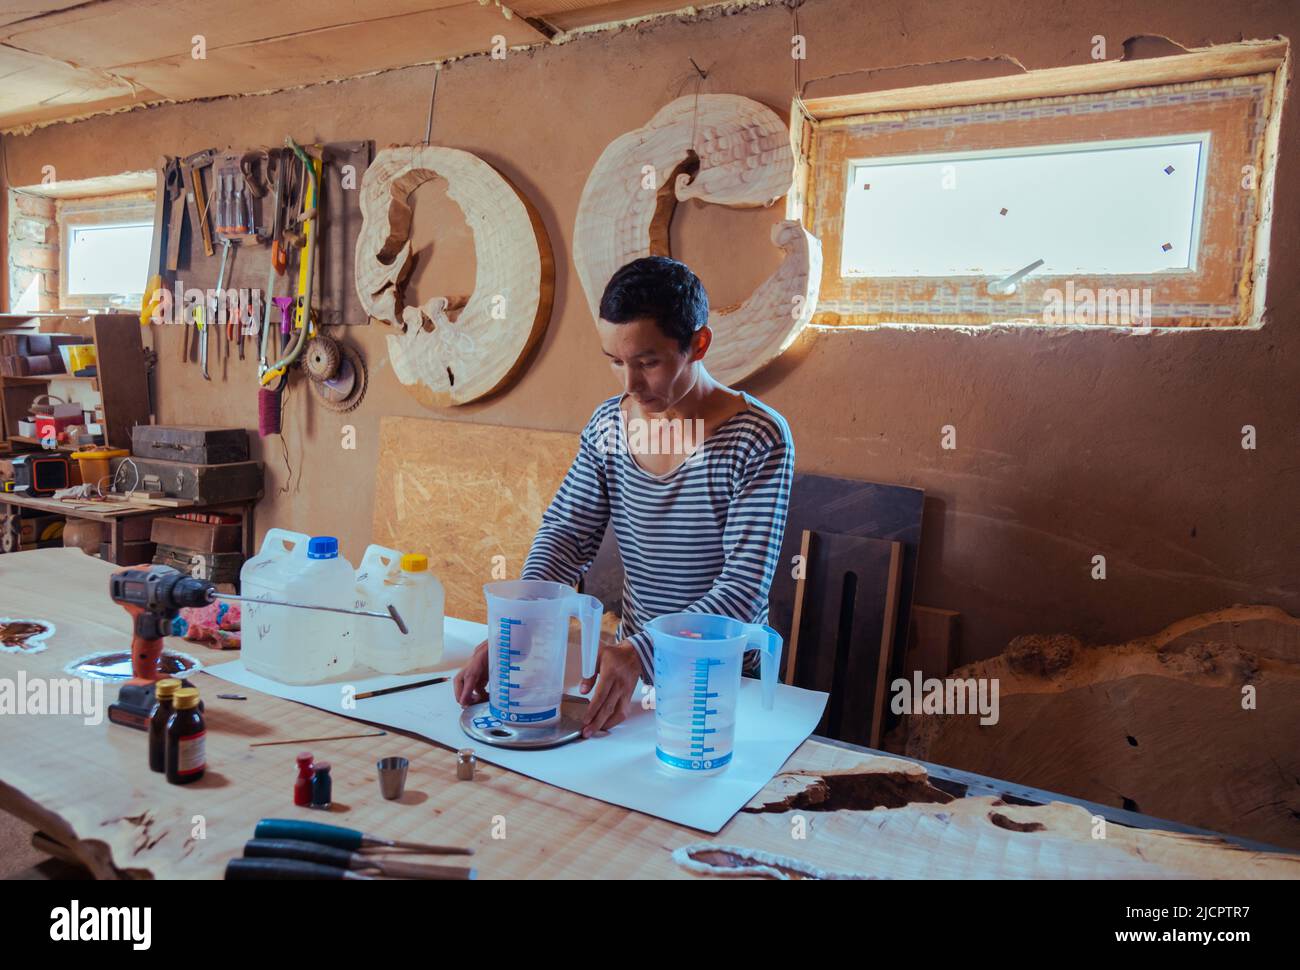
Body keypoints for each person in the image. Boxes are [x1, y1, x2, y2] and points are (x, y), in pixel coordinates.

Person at [454, 256, 795, 738]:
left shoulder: (757, 437)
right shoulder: (610, 427)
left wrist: (642, 652)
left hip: (718, 677)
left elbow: (743, 587)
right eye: (616, 362)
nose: (631, 386)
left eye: (648, 363)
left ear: (698, 344)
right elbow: (566, 535)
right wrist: (521, 620)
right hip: (631, 666)